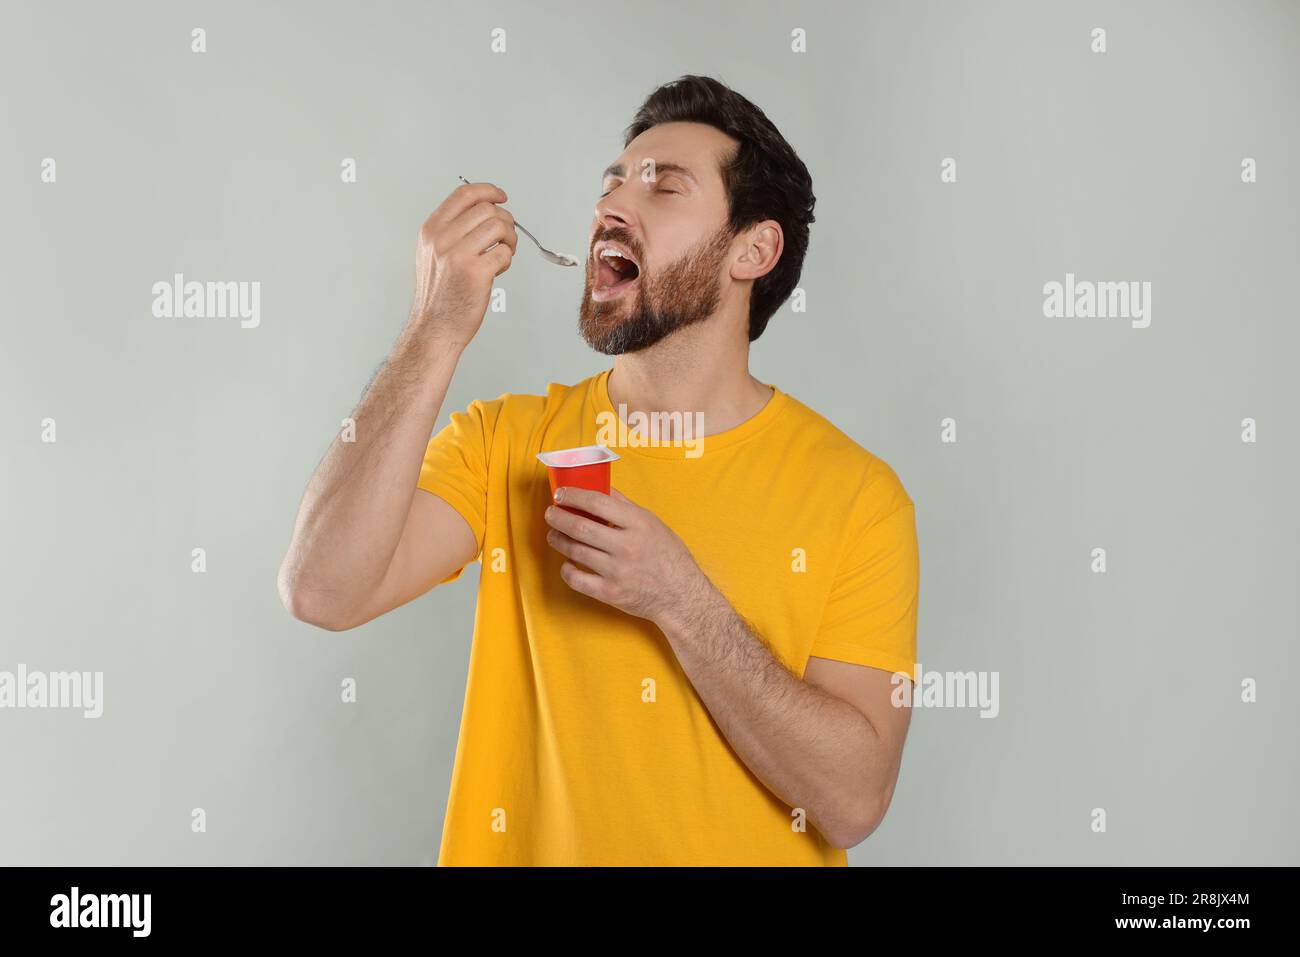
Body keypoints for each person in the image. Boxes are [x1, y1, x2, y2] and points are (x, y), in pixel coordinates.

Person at [277, 75, 919, 866]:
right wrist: (435, 328)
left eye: (663, 185)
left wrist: (680, 599)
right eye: (612, 181)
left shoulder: (857, 495)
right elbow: (320, 588)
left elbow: (854, 801)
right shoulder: (507, 442)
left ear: (753, 249)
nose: (613, 203)